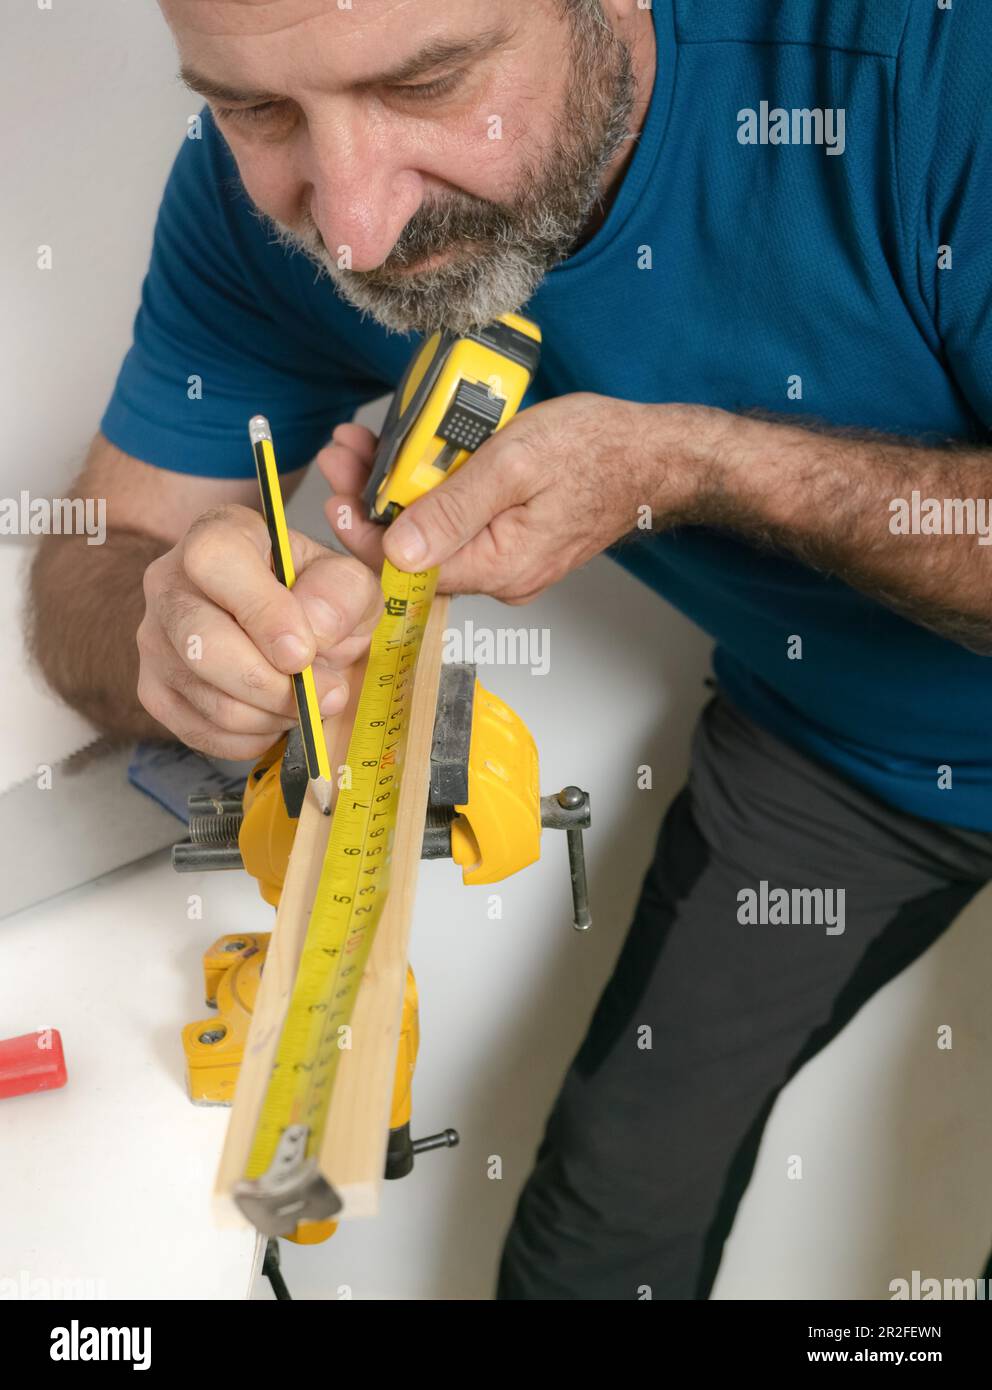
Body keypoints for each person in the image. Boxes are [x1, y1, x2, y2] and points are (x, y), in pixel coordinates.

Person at [29, 1, 992, 1299]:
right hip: (842, 755)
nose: (354, 227)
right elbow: (99, 548)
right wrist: (172, 634)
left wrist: (694, 461)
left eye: (426, 83)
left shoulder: (935, 66)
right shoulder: (268, 214)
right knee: (596, 1239)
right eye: (256, 109)